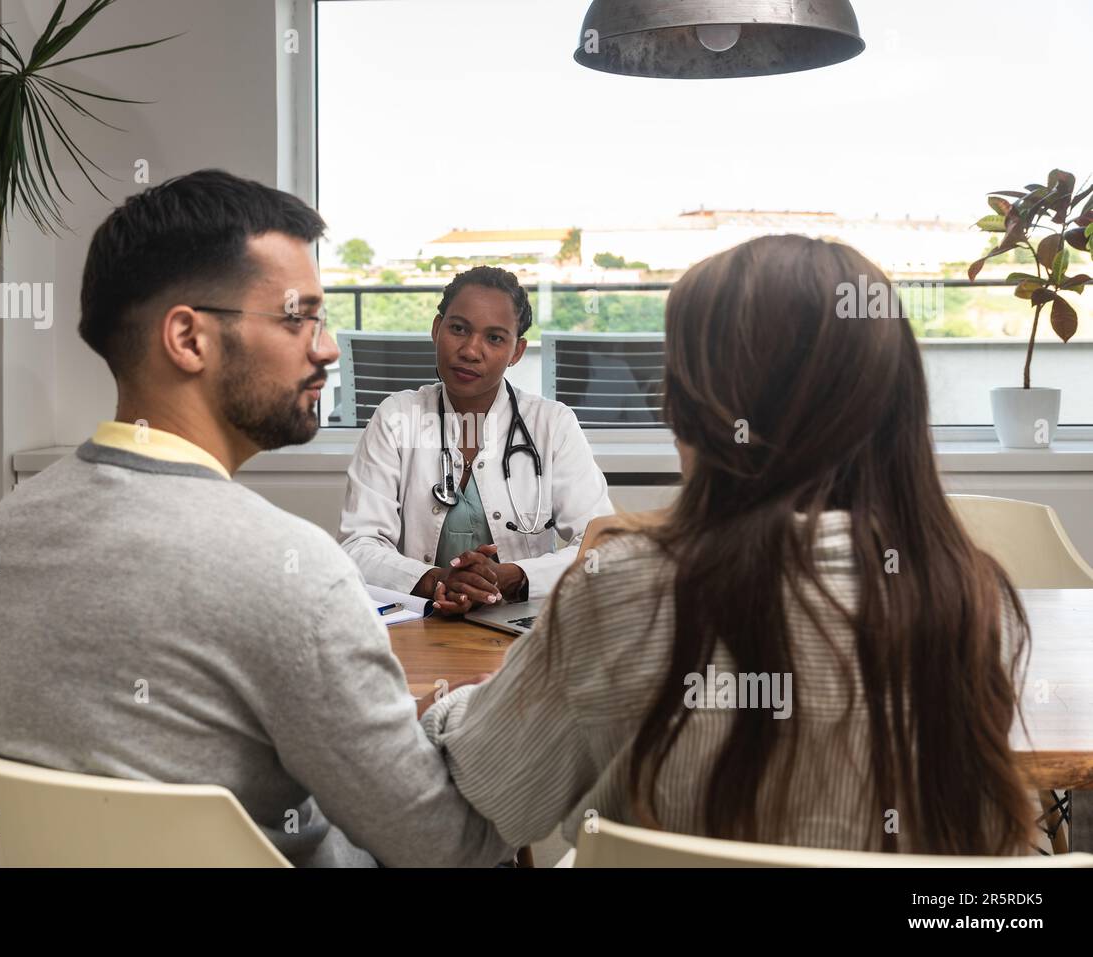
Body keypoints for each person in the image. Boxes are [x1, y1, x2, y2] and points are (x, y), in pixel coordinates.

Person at [0, 169, 510, 868]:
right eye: (296, 316)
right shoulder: (294, 571)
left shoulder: (7, 528)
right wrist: (482, 723)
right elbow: (443, 847)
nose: (328, 346)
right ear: (188, 338)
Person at [420, 235, 1036, 856]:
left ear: (692, 411)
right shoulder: (967, 596)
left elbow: (485, 789)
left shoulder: (623, 591)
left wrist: (456, 704)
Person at [340, 266, 614, 615]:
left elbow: (603, 548)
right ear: (437, 329)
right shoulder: (396, 418)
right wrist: (434, 580)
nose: (470, 350)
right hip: (421, 629)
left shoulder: (552, 424)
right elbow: (357, 546)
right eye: (458, 329)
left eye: (495, 338)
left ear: (517, 352)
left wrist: (513, 576)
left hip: (524, 631)